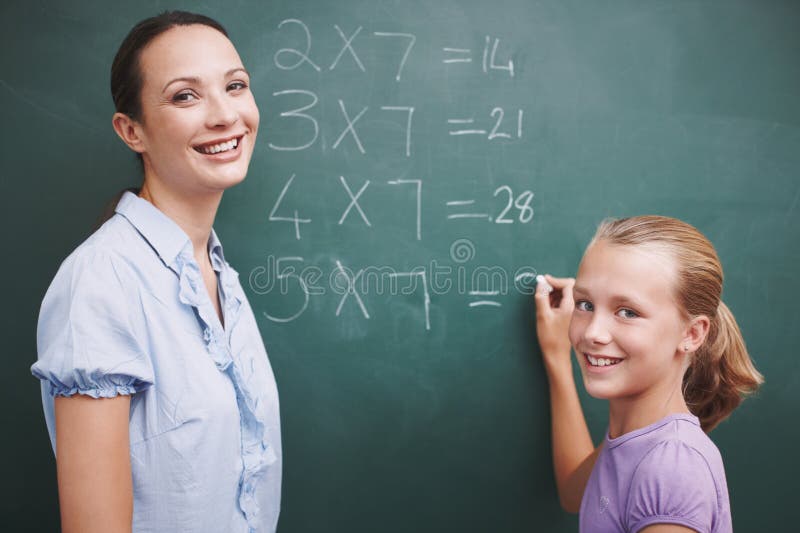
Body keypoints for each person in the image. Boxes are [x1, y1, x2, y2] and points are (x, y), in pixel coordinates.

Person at [31, 11, 281, 533]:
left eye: (235, 86)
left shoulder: (216, 271)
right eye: (185, 96)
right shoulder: (101, 283)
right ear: (132, 130)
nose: (224, 115)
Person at [534, 216, 763, 533]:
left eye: (627, 312)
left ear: (692, 334)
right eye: (585, 304)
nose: (593, 333)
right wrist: (557, 355)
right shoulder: (636, 441)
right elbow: (577, 492)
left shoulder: (670, 469)